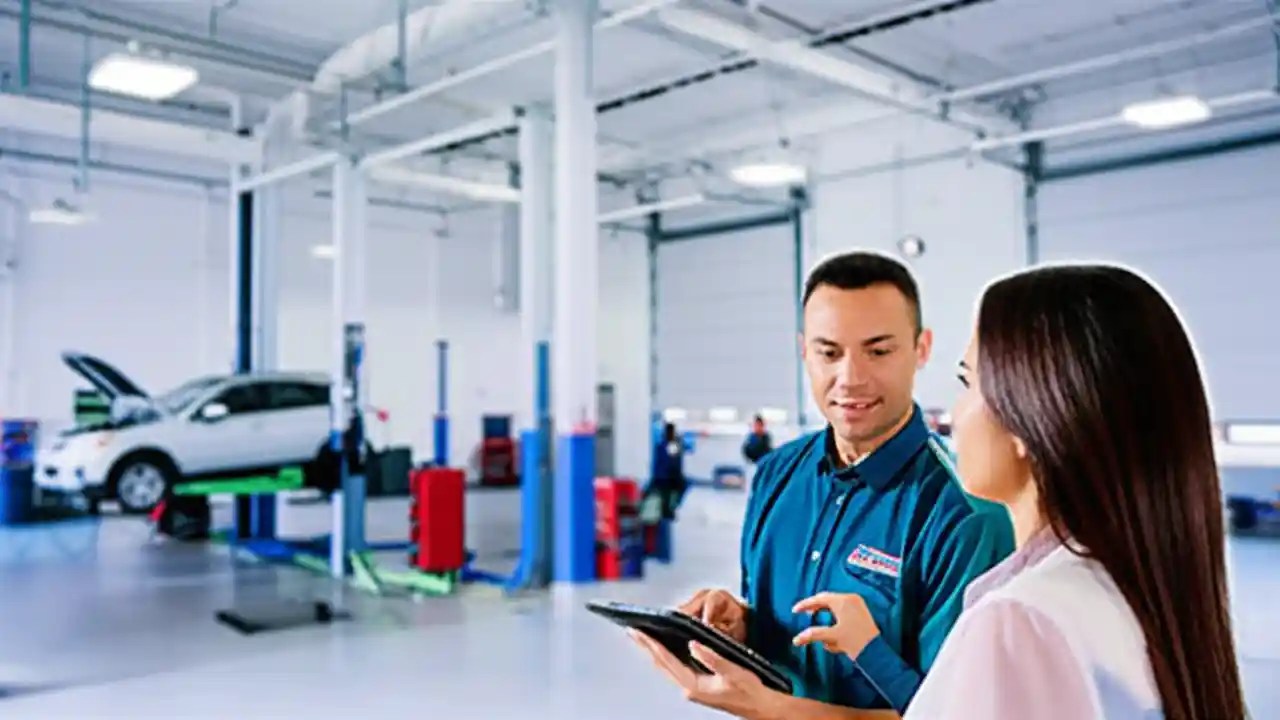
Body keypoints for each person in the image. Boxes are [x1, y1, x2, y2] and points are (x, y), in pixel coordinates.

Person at [796, 264, 1246, 719]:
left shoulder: (1019, 622)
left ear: (1027, 419)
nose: (954, 413)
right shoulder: (1141, 593)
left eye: (967, 382)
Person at [632, 251, 1014, 718]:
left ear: (921, 349)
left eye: (878, 351)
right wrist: (742, 626)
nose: (850, 379)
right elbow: (783, 637)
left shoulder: (965, 513)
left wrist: (772, 709)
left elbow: (949, 713)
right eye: (828, 353)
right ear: (804, 351)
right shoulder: (777, 475)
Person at [649, 422, 687, 520]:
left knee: (665, 493)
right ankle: (670, 509)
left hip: (659, 477)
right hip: (668, 477)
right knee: (682, 485)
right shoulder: (672, 445)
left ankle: (666, 510)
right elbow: (674, 461)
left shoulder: (661, 444)